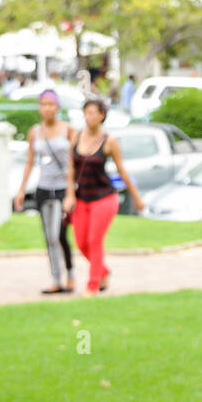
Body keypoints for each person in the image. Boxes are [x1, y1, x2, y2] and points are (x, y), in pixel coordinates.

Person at [64, 97, 145, 295]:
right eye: (86, 112)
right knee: (81, 243)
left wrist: (136, 197)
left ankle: (92, 286)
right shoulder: (75, 136)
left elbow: (122, 171)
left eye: (93, 113)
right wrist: (69, 196)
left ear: (102, 116)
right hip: (82, 197)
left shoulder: (110, 142)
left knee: (94, 241)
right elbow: (71, 169)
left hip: (104, 198)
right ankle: (103, 271)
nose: (89, 117)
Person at [14, 89, 76, 295]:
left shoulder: (68, 129)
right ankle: (56, 279)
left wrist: (70, 193)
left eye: (51, 104)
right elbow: (30, 162)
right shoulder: (35, 132)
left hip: (61, 189)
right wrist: (21, 189)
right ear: (39, 107)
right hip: (43, 188)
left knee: (58, 234)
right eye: (43, 104)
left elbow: (72, 163)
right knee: (48, 236)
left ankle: (70, 274)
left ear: (57, 106)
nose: (47, 108)